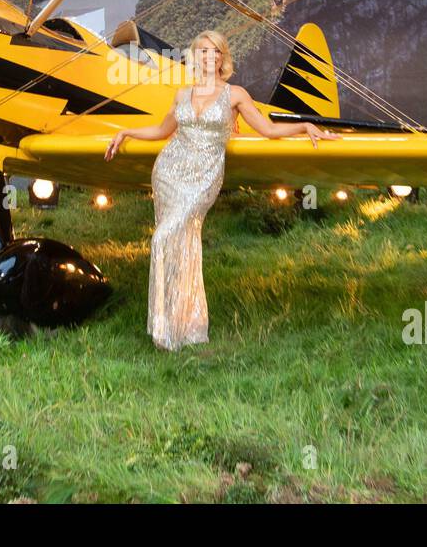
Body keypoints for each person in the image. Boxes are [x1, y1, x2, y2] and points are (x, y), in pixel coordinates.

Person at [105, 29, 341, 351]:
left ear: (222, 58)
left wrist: (305, 125)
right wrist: (125, 132)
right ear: (194, 56)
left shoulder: (235, 95)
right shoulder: (181, 94)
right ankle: (174, 327)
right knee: (180, 243)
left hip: (204, 176)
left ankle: (174, 323)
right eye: (203, 50)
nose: (209, 56)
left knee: (164, 237)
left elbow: (268, 129)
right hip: (169, 171)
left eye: (215, 51)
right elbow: (163, 131)